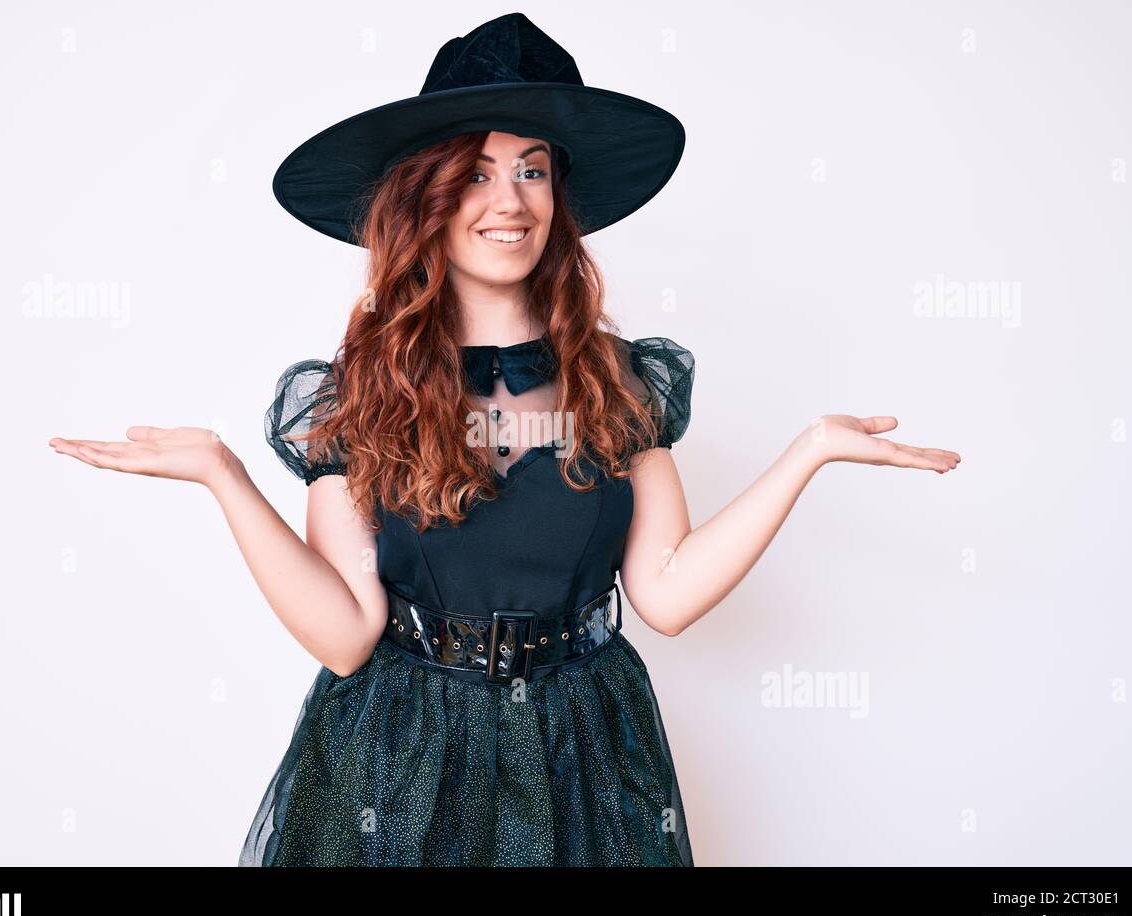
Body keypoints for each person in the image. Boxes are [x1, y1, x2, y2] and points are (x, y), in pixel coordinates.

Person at [48, 13, 959, 866]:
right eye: (477, 172)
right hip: (401, 748)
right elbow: (344, 636)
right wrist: (224, 477)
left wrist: (807, 454)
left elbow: (668, 595)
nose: (509, 200)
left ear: (559, 195)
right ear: (429, 199)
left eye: (532, 169)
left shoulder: (621, 381)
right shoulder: (361, 390)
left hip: (586, 745)